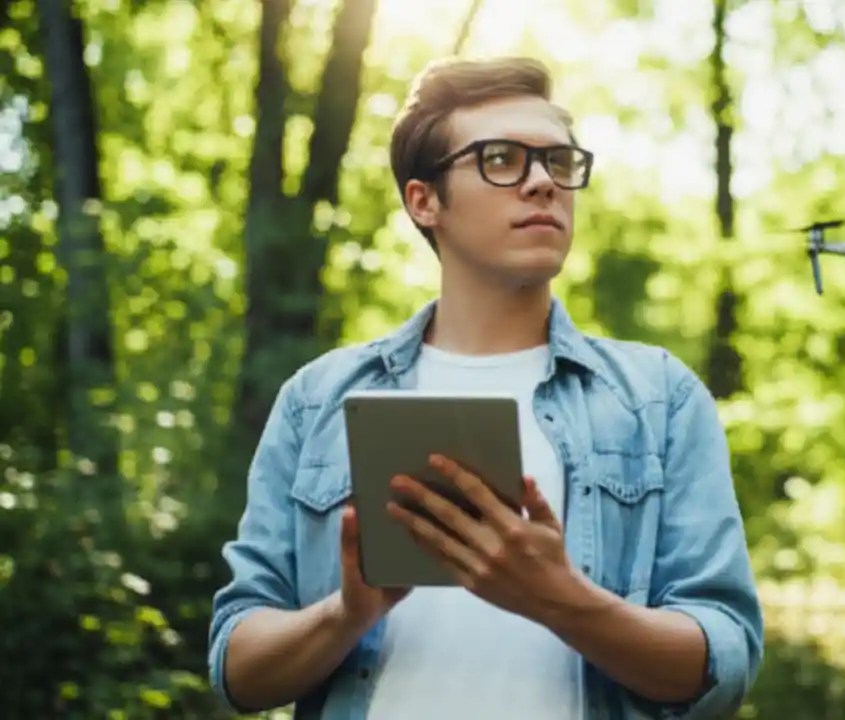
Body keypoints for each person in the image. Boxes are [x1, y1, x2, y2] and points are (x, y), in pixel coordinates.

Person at [206, 55, 764, 719]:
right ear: (424, 201)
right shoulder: (317, 399)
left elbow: (725, 662)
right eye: (501, 159)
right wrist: (348, 613)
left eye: (559, 161)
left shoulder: (659, 399)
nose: (543, 183)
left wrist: (560, 598)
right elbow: (237, 671)